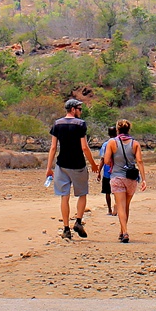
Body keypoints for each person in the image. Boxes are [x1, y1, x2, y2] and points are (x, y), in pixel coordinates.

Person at [45, 97, 99, 240]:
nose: (81, 112)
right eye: (79, 109)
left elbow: (53, 147)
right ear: (73, 110)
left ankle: (66, 228)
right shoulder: (80, 124)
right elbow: (84, 147)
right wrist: (93, 164)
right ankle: (79, 222)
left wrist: (48, 167)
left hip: (62, 164)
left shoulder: (57, 124)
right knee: (82, 193)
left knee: (64, 196)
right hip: (78, 164)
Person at [103, 119, 145, 243]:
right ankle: (122, 231)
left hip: (116, 177)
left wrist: (113, 161)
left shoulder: (112, 142)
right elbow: (140, 161)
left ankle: (125, 232)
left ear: (117, 130)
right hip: (131, 179)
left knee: (120, 206)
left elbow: (106, 161)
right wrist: (144, 179)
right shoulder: (135, 143)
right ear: (129, 130)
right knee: (126, 206)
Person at [99, 125, 118, 216]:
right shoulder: (120, 143)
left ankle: (109, 209)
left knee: (107, 192)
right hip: (117, 171)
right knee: (117, 191)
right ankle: (117, 205)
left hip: (107, 171)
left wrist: (98, 171)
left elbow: (102, 159)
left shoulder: (105, 144)